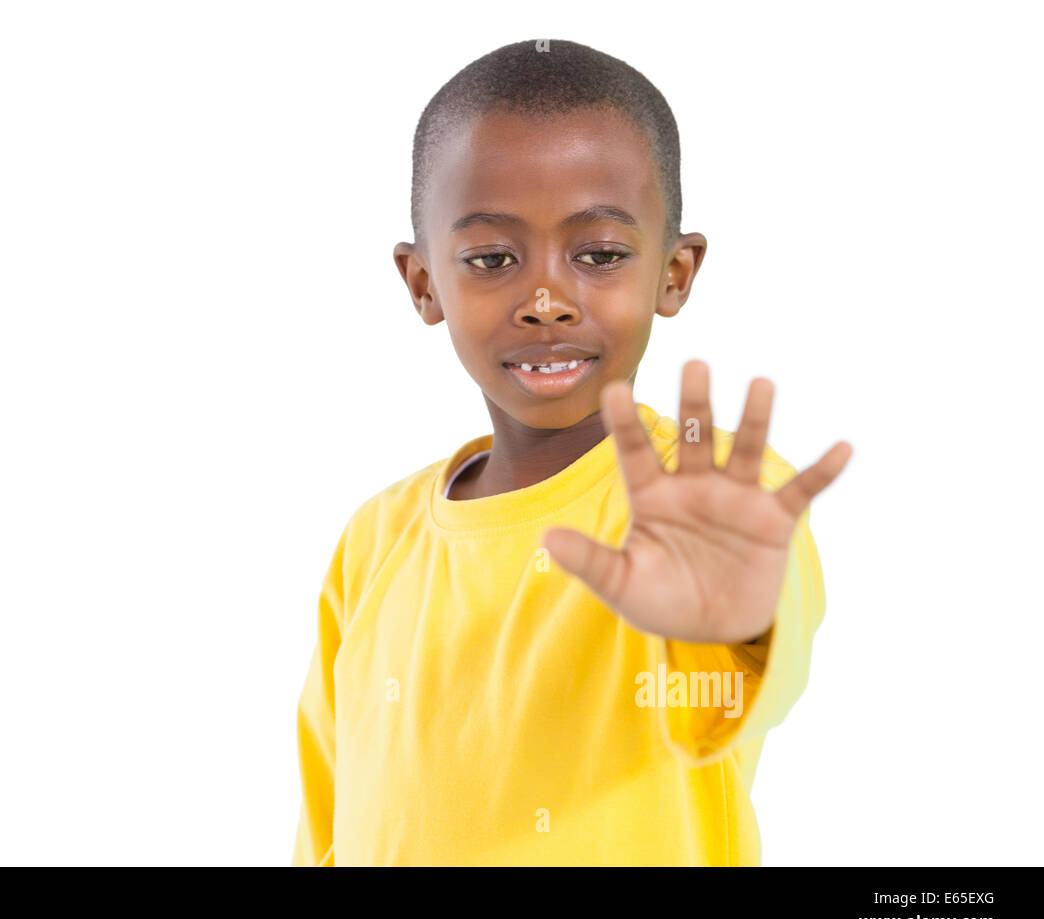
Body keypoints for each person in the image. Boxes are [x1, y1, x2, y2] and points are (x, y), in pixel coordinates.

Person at [291, 38, 852, 866]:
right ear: (423, 285)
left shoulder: (717, 503)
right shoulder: (373, 542)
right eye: (492, 259)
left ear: (674, 272)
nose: (547, 300)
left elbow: (753, 658)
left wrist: (732, 612)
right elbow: (327, 821)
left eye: (598, 255)